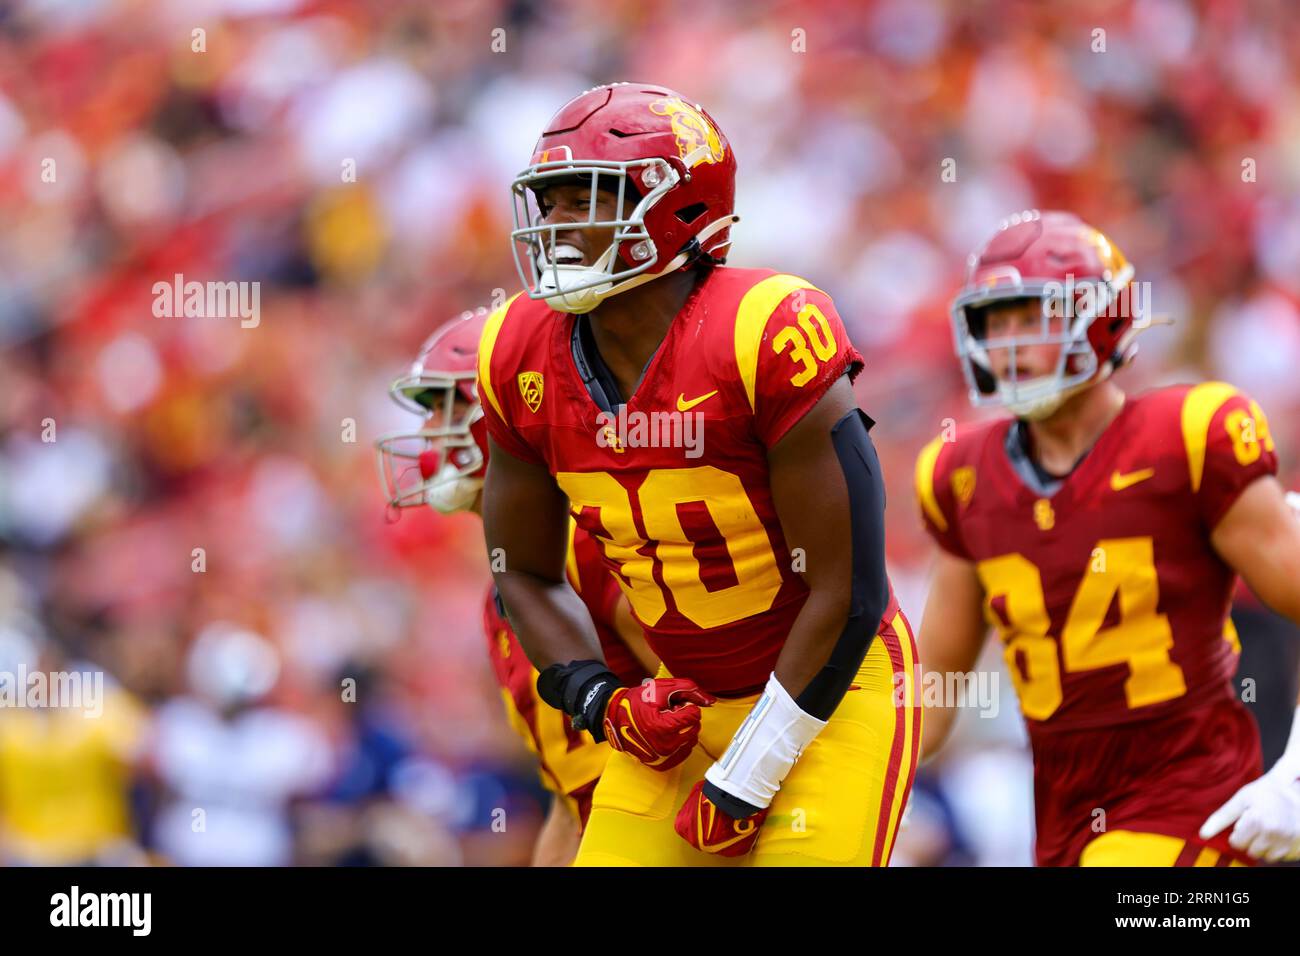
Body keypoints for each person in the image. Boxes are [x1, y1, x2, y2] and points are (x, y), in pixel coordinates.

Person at [478, 82, 919, 865]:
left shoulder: (764, 329)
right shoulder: (515, 350)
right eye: (550, 200)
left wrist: (751, 773)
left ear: (680, 207)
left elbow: (851, 590)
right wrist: (600, 698)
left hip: (831, 693)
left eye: (589, 196)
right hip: (681, 703)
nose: (558, 224)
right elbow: (523, 573)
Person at [915, 210, 1300, 865]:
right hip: (1061, 809)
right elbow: (938, 687)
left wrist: (1295, 776)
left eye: (1030, 317)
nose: (1008, 342)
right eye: (995, 321)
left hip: (1190, 791)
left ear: (1103, 317)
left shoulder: (1189, 436)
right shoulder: (957, 476)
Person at [375, 309, 655, 865]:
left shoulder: (592, 542)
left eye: (447, 407)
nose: (430, 433)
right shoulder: (504, 596)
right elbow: (569, 799)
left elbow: (714, 698)